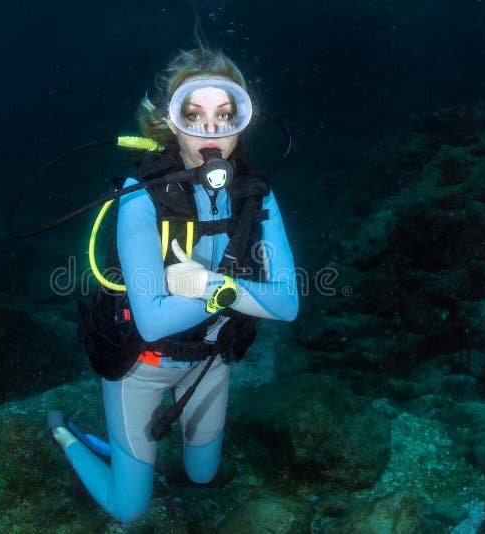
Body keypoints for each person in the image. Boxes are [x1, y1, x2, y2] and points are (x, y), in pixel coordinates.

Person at [48, 48, 298, 523]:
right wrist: (240, 295)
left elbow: (288, 306)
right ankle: (65, 434)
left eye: (225, 115)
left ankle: (130, 455)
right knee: (130, 510)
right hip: (140, 365)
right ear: (169, 120)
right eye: (194, 115)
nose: (211, 132)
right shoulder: (140, 195)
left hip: (211, 359)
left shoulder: (258, 196)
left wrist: (210, 285)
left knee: (203, 475)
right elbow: (153, 321)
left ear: (243, 121)